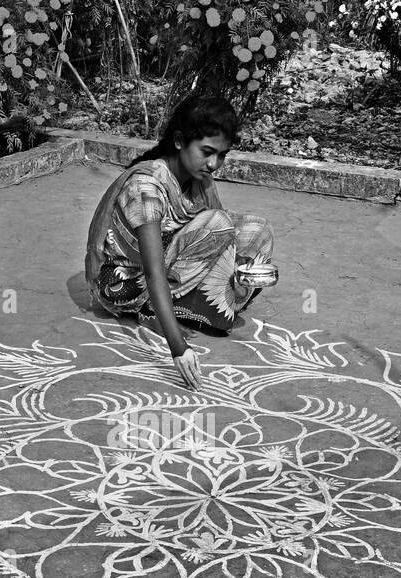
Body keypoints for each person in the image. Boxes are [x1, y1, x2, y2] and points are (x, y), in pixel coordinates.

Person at [84, 94, 275, 391]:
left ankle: (193, 303)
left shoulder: (198, 178)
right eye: (207, 152)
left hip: (176, 258)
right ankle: (153, 310)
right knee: (217, 225)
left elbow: (228, 240)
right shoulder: (146, 187)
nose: (214, 164)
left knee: (258, 231)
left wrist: (242, 270)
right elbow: (153, 270)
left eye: (222, 155)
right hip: (129, 282)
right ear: (178, 141)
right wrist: (178, 348)